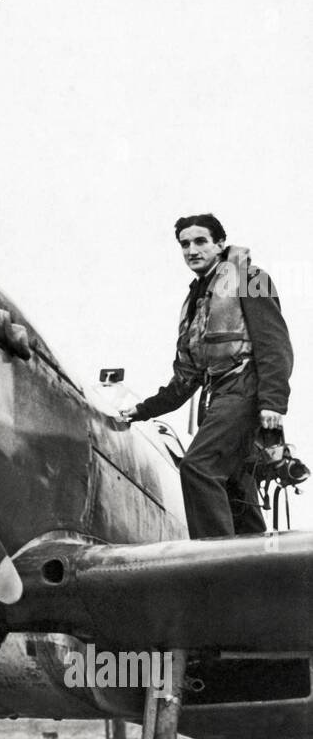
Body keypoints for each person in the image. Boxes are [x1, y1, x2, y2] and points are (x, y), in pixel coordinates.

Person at [120, 214, 293, 538]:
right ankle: (253, 578)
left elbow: (275, 344)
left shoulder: (252, 277)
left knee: (199, 468)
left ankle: (213, 568)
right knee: (235, 491)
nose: (191, 249)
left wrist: (273, 403)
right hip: (219, 398)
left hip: (245, 391)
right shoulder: (197, 302)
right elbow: (186, 377)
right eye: (184, 243)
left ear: (220, 244)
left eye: (200, 241)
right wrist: (142, 410)